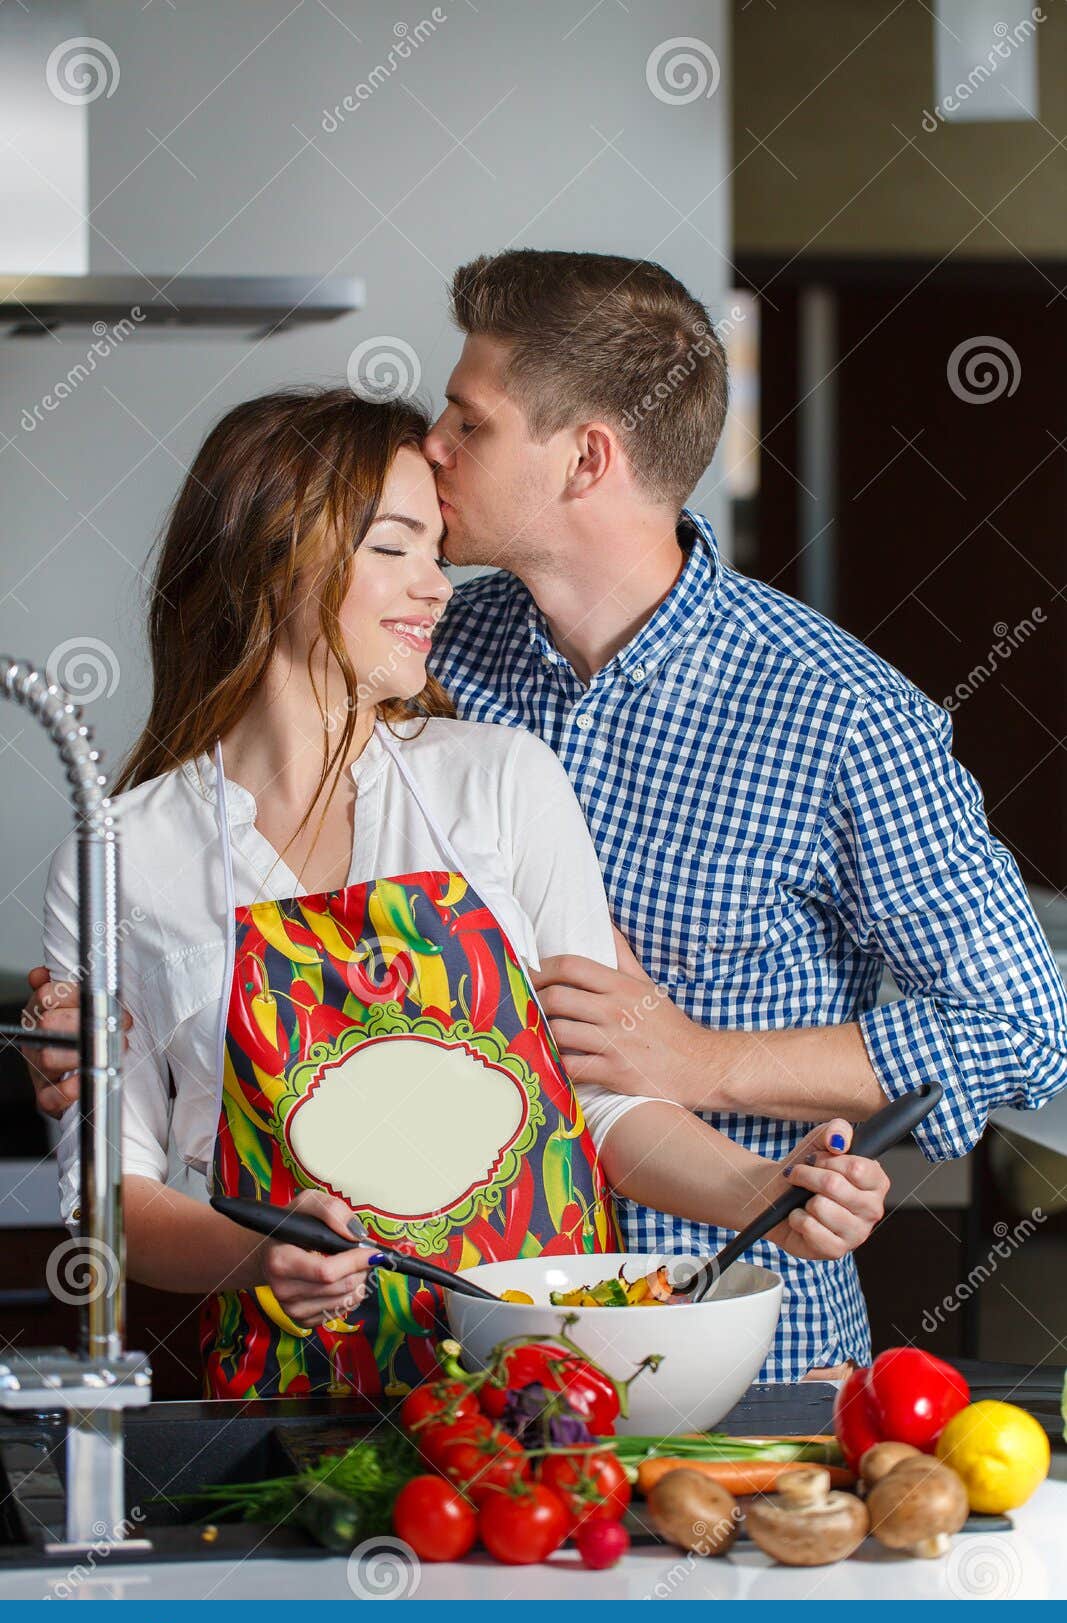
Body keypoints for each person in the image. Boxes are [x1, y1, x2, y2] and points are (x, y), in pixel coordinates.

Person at [26, 387, 888, 1401]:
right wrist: (261, 1252)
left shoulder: (499, 781)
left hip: (540, 1390)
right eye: (395, 548)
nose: (437, 587)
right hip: (294, 1412)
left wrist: (765, 1191)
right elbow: (109, 1198)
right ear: (275, 554)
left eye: (438, 551)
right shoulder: (123, 855)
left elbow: (604, 1102)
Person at [417, 247, 1067, 1381]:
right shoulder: (423, 654)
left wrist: (704, 1061)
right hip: (462, 1346)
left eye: (467, 423)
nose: (430, 446)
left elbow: (1020, 1025)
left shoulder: (838, 713)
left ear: (586, 458)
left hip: (737, 1359)